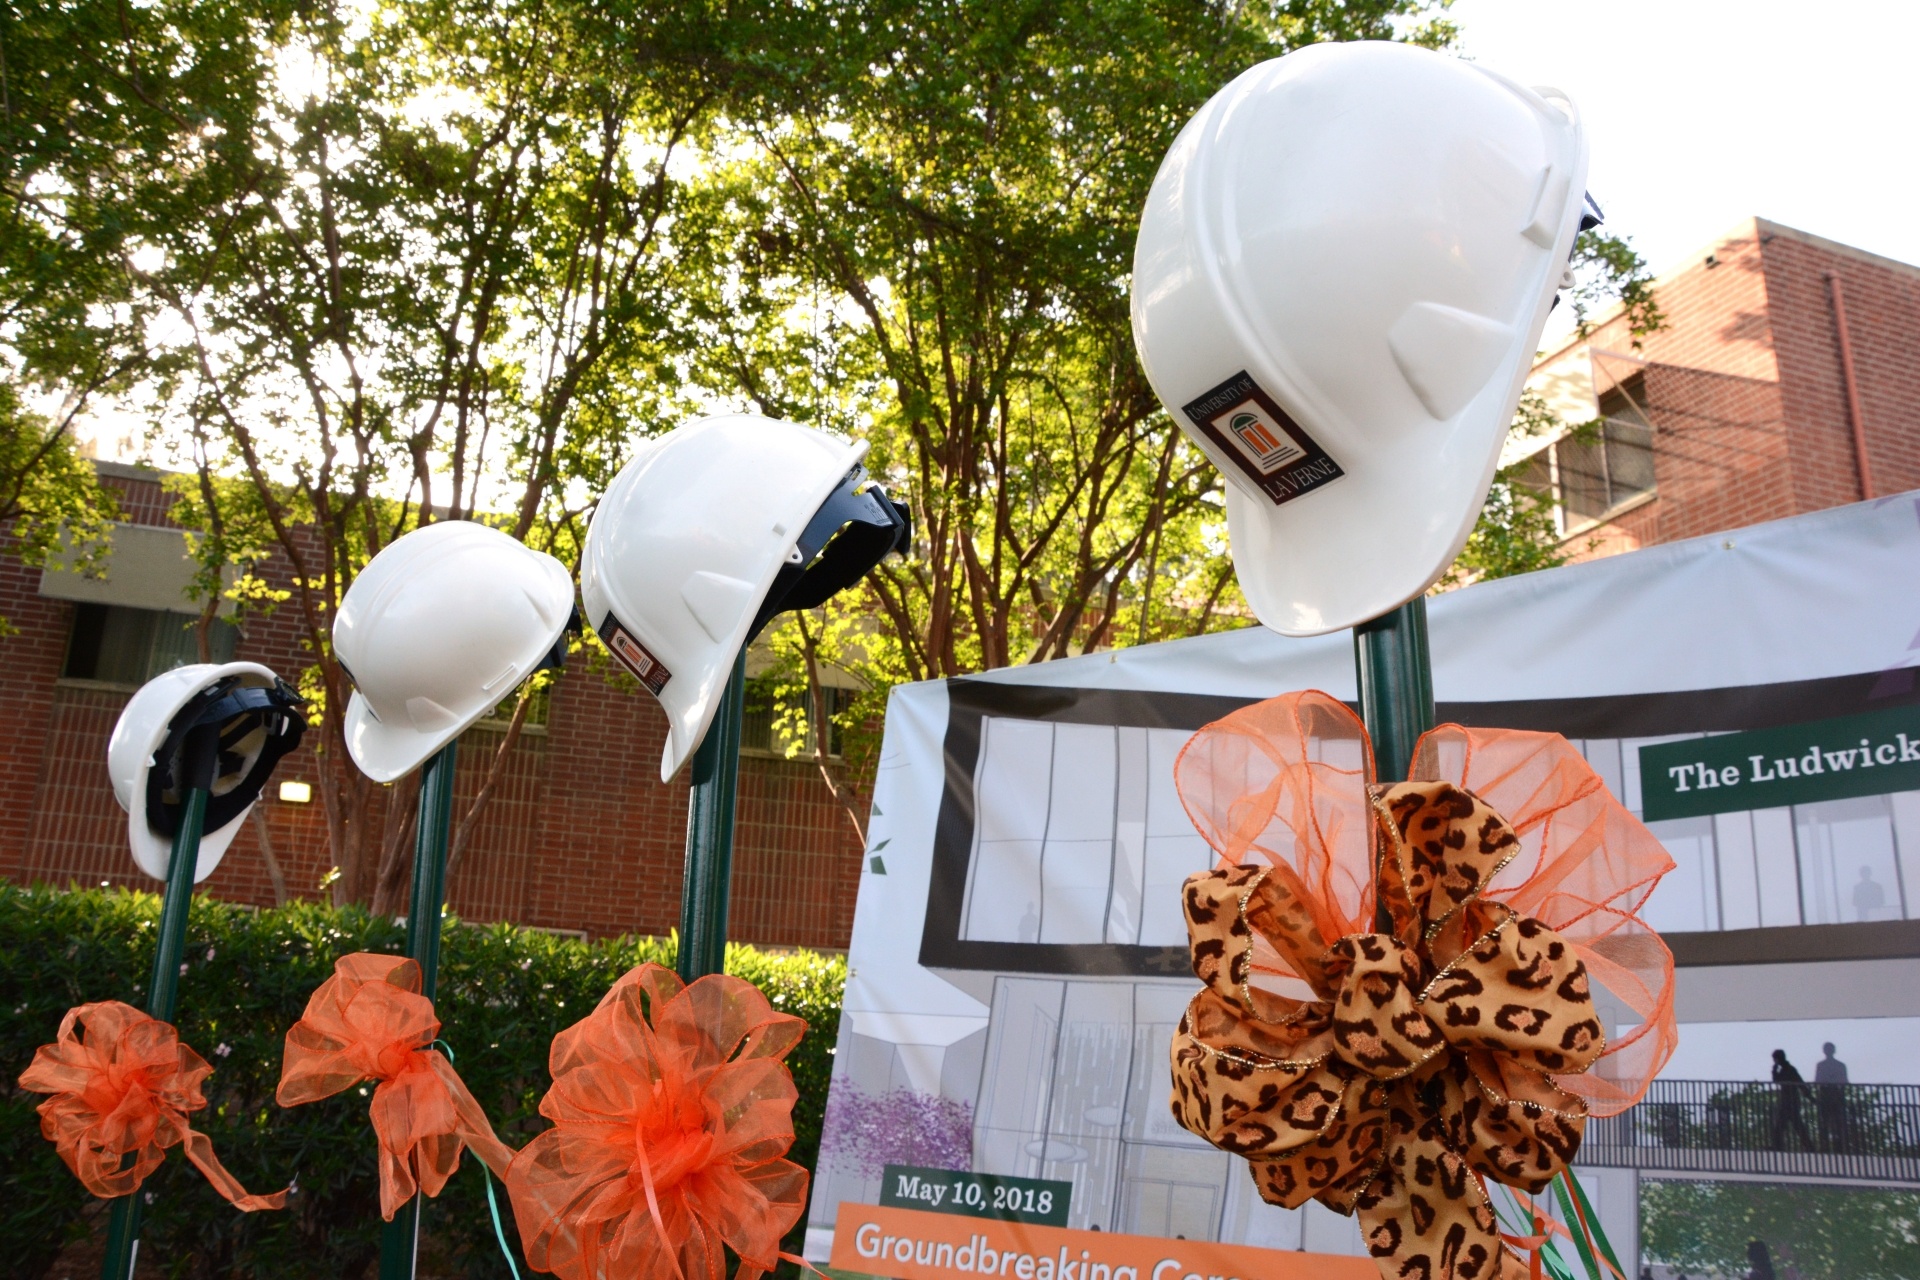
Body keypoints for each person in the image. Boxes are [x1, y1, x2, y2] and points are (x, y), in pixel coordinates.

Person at [1769, 1050, 1813, 1150]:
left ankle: (1809, 1146)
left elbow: (1799, 1083)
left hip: (1790, 1101)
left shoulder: (1789, 1069)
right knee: (1792, 1126)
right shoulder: (1787, 1069)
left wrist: (1809, 1096)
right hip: (1789, 1101)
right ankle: (1809, 1146)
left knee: (1790, 1126)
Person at [1814, 1042, 1849, 1151]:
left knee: (1830, 1124)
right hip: (1832, 1095)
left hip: (1830, 1095)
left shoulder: (1823, 1065)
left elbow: (1818, 1081)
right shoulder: (1839, 1065)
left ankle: (1829, 1147)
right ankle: (1835, 1148)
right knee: (1833, 1124)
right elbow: (1844, 1082)